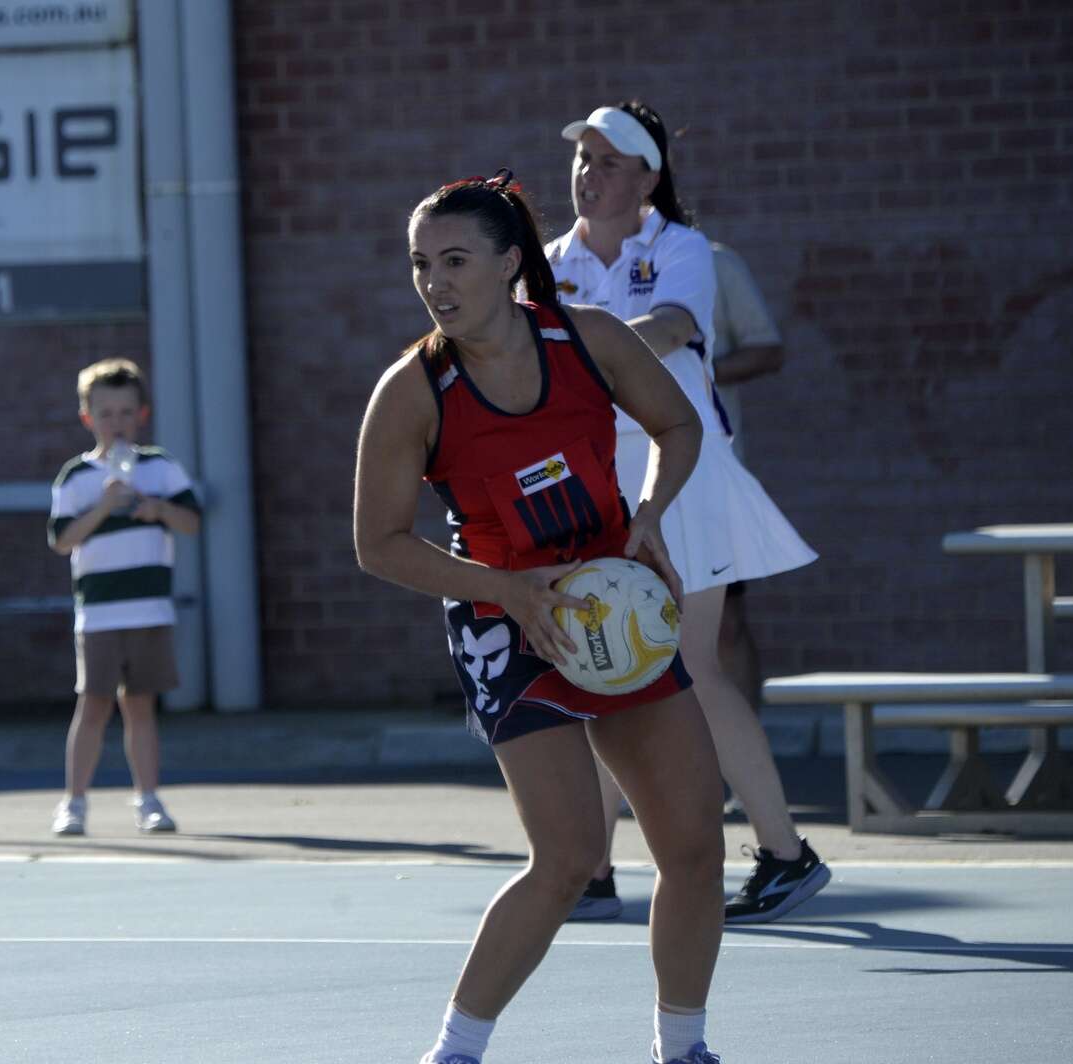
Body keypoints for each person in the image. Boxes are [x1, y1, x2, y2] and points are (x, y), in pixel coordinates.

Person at [354, 171, 726, 1064]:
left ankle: (683, 1049)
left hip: (614, 606)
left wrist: (648, 517)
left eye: (454, 260)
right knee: (566, 858)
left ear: (509, 262)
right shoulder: (413, 391)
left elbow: (680, 427)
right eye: (419, 264)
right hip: (508, 618)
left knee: (695, 847)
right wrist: (510, 590)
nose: (434, 282)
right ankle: (454, 1053)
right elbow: (378, 544)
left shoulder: (588, 339)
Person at [546, 102, 826, 926]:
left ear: (649, 178)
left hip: (683, 477)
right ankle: (593, 870)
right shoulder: (549, 260)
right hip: (593, 484)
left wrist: (569, 353)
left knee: (694, 669)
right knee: (594, 664)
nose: (589, 173)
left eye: (609, 161)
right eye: (583, 158)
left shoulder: (683, 249)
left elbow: (669, 328)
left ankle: (786, 854)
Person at [47, 358, 201, 836]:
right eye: (106, 413)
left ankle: (148, 799)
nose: (116, 422)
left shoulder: (161, 467)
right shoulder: (76, 476)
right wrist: (105, 506)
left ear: (142, 415)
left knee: (140, 707)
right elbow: (62, 539)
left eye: (126, 412)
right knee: (93, 706)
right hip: (98, 615)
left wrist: (156, 508)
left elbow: (191, 521)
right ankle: (73, 803)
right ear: (87, 418)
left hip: (149, 610)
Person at [709, 240, 789, 713]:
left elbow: (767, 349)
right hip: (611, 481)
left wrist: (693, 371)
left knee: (725, 623)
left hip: (708, 480)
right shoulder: (562, 259)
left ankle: (745, 751)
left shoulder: (712, 260)